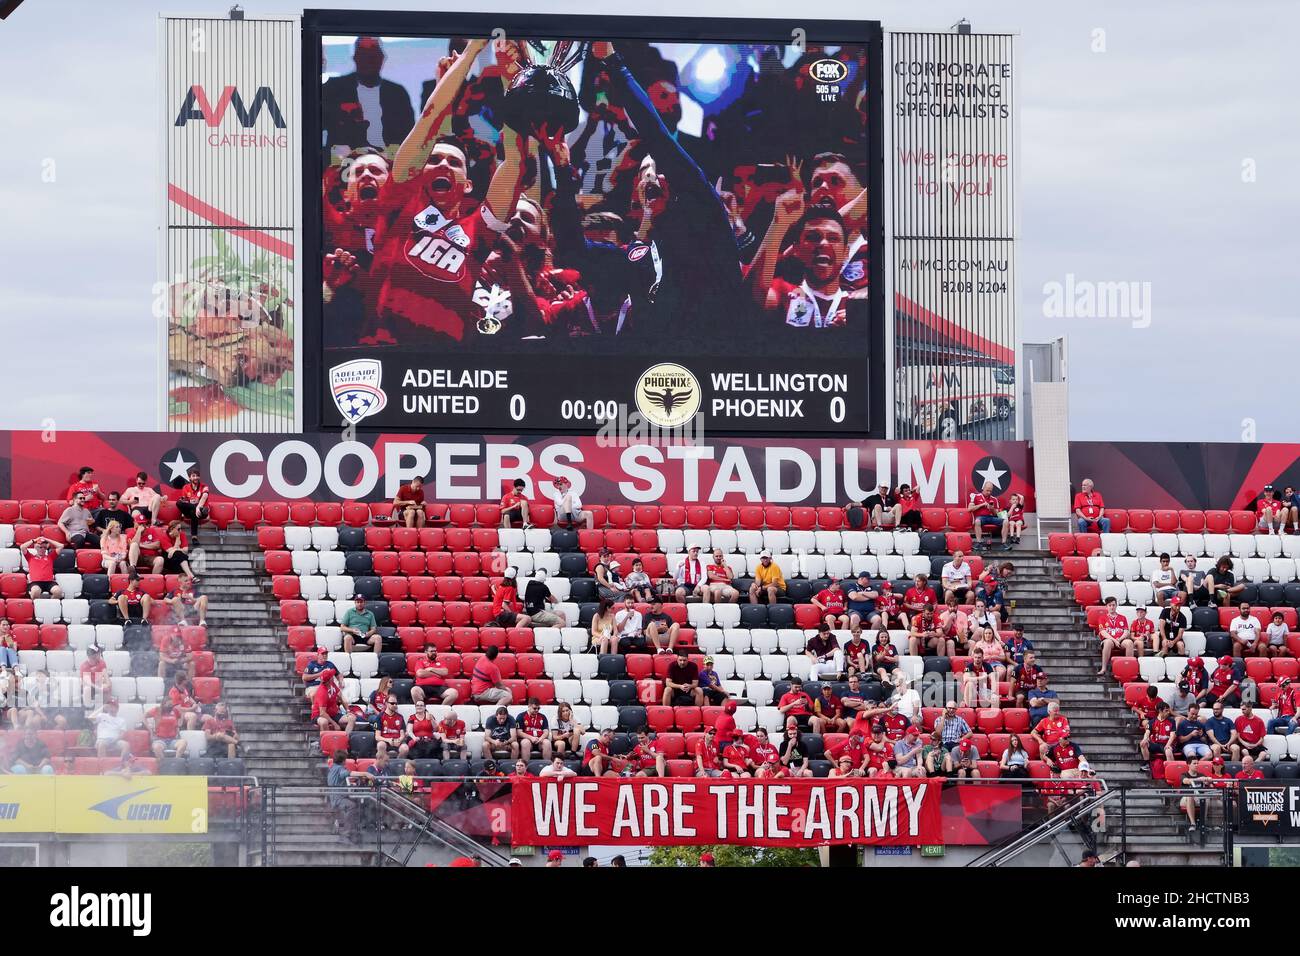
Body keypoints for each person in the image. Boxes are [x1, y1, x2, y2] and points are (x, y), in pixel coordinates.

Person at [322, 36, 416, 152]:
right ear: (355, 57)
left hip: (389, 162)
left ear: (382, 58)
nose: (369, 60)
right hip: (344, 162)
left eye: (373, 55)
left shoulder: (397, 93)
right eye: (364, 54)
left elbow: (409, 134)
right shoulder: (333, 89)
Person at [1096, 597, 1138, 676]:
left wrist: (1120, 639)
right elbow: (1103, 632)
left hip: (1121, 639)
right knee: (1108, 642)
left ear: (1116, 606)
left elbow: (1126, 631)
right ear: (1106, 606)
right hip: (1109, 639)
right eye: (1110, 605)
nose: (1112, 607)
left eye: (1113, 605)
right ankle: (1103, 668)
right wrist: (1114, 640)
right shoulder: (1102, 618)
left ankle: (1128, 668)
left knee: (1129, 642)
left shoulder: (1122, 617)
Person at [21, 536, 64, 601]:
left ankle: (48, 606)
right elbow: (22, 547)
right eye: (40, 547)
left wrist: (46, 539)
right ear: (36, 547)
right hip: (35, 582)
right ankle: (36, 608)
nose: (42, 549)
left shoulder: (50, 557)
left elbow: (61, 546)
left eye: (44, 547)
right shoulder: (30, 557)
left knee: (58, 592)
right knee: (35, 591)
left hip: (49, 582)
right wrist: (34, 540)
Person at [175, 467, 210, 544]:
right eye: (193, 476)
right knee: (178, 503)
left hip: (201, 511)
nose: (196, 477)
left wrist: (198, 507)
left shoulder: (204, 486)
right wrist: (194, 507)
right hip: (190, 511)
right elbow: (184, 501)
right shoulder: (185, 487)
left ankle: (194, 537)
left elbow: (205, 496)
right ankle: (194, 538)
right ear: (189, 478)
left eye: (197, 475)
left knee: (198, 511)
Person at [968, 481, 1004, 550]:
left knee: (1005, 521)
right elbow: (970, 509)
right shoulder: (976, 497)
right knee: (977, 521)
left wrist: (992, 509)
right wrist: (982, 505)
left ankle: (1004, 543)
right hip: (981, 517)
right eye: (987, 490)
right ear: (983, 488)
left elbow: (997, 514)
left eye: (990, 491)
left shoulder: (994, 499)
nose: (989, 492)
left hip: (992, 517)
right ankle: (979, 543)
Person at [1141, 703, 1176, 767]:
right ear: (1160, 710)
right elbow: (1147, 732)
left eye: (1168, 710)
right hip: (1156, 744)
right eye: (1166, 710)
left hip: (1166, 743)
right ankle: (1146, 764)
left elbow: (1172, 735)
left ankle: (1172, 769)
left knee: (1168, 751)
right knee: (1143, 743)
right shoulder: (1152, 722)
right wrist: (1145, 739)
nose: (1168, 712)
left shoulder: (1172, 721)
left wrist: (1168, 745)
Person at [517, 697, 552, 762]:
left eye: (538, 708)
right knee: (525, 743)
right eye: (534, 708)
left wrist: (541, 738)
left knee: (547, 743)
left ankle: (547, 766)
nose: (537, 710)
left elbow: (546, 731)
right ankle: (525, 765)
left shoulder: (542, 716)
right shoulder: (521, 716)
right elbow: (519, 732)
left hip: (540, 740)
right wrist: (531, 738)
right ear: (529, 706)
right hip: (527, 740)